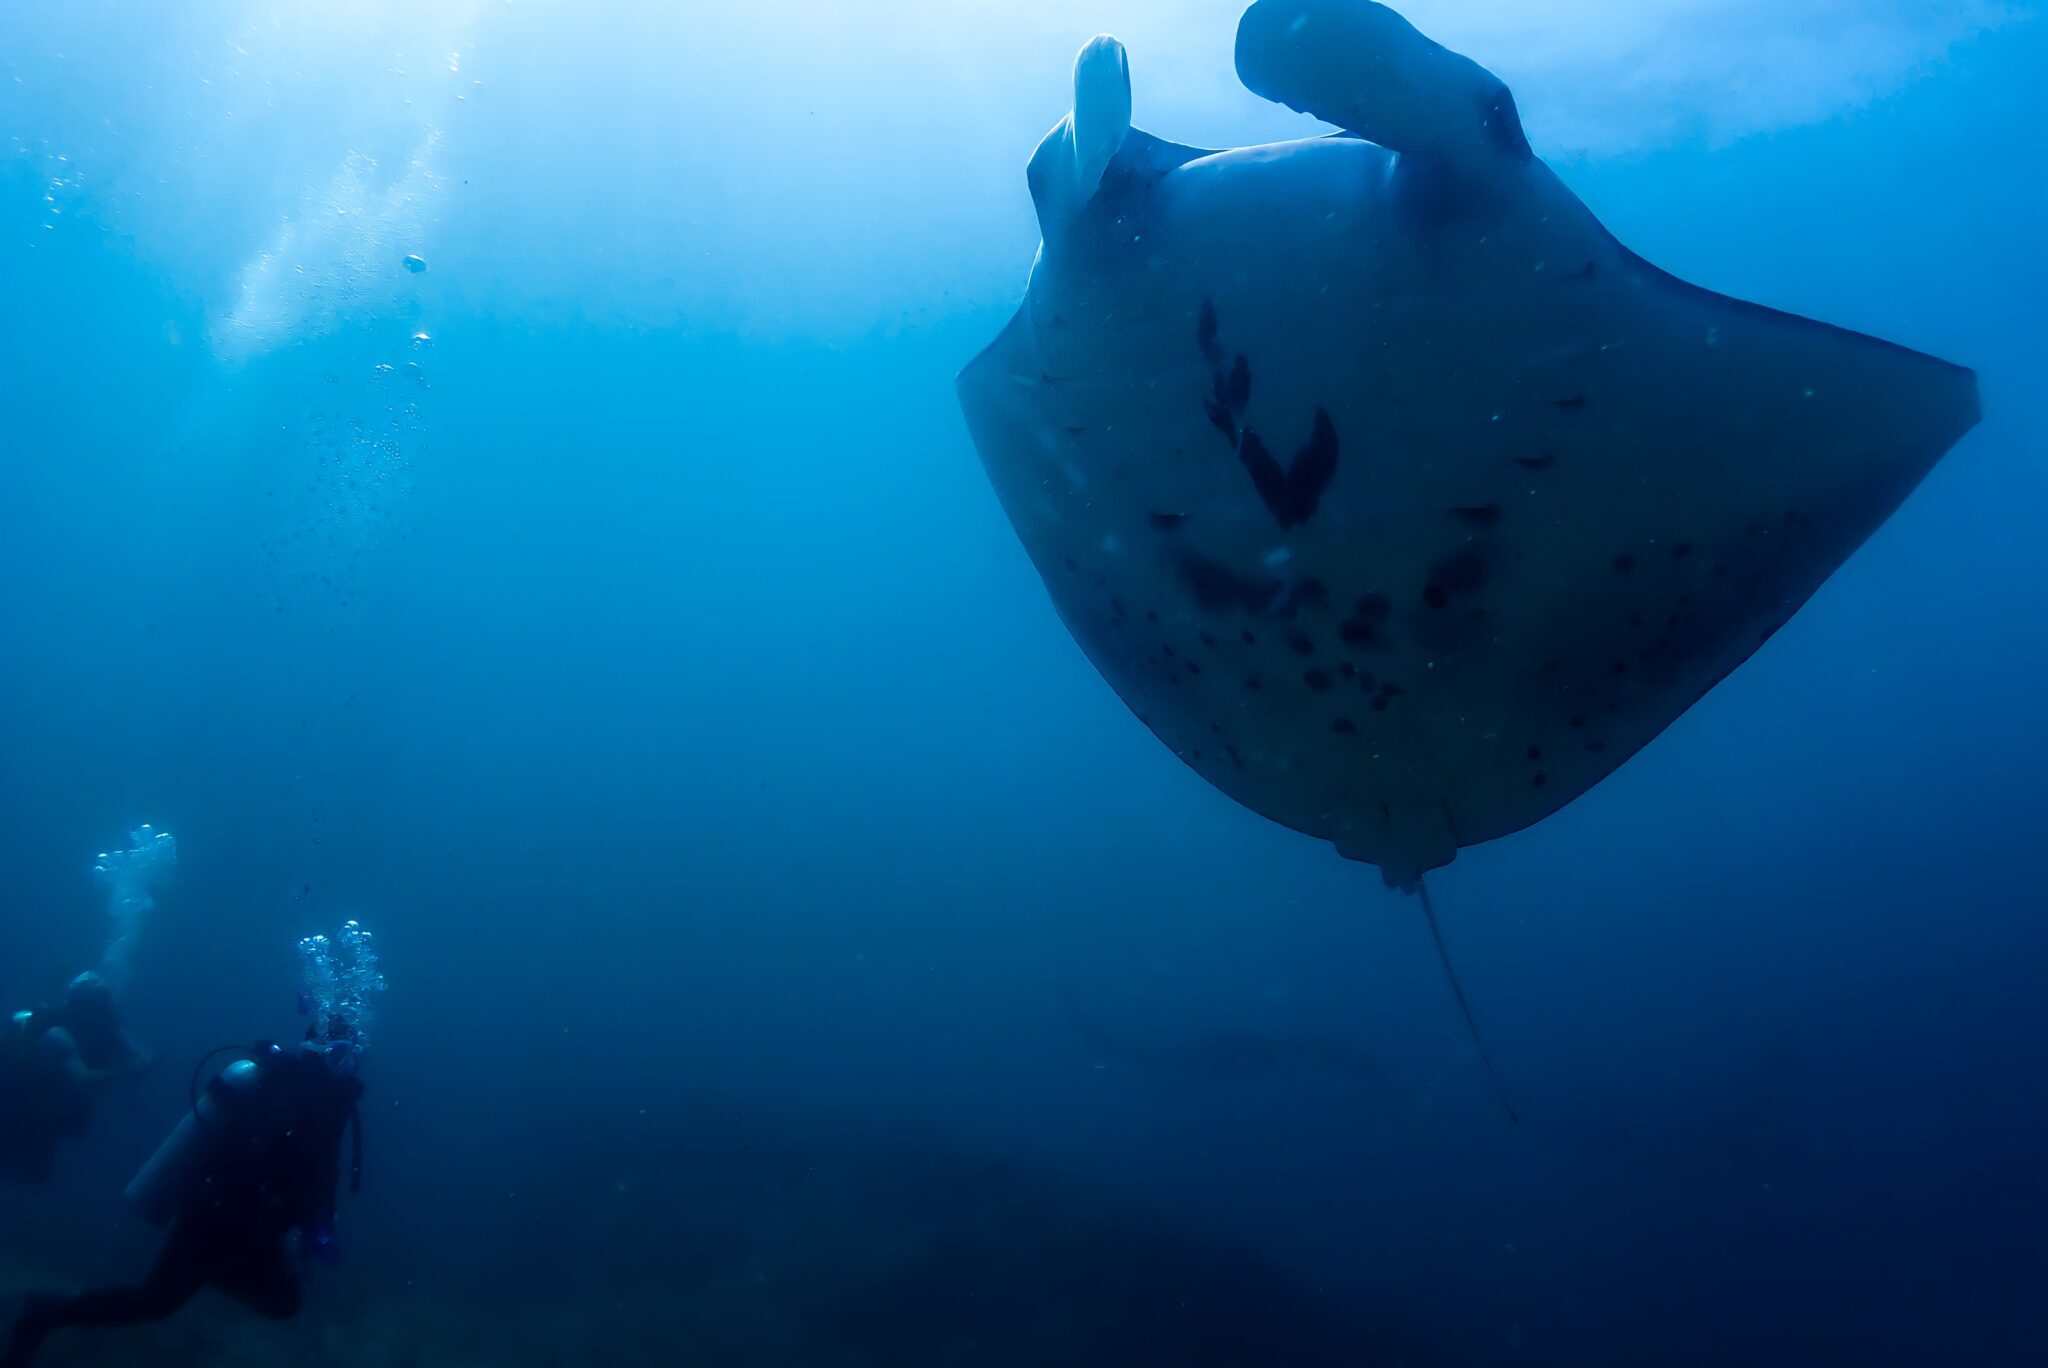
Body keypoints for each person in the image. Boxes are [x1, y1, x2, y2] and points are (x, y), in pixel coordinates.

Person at [1, 1018, 365, 1368]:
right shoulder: (292, 1091)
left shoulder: (329, 1105)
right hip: (216, 1218)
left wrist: (315, 1223)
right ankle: (43, 1313)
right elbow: (269, 1159)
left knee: (284, 1302)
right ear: (327, 1048)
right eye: (347, 1051)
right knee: (154, 1302)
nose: (351, 1061)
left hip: (252, 1226)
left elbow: (320, 1176)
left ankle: (211, 1270)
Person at [0, 973, 154, 1184]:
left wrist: (139, 1066)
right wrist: (129, 1071)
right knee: (21, 1166)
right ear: (85, 1008)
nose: (109, 1011)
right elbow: (84, 1078)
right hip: (23, 1109)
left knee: (33, 1173)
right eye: (102, 1005)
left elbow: (138, 1055)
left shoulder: (102, 1028)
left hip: (48, 1113)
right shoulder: (57, 1033)